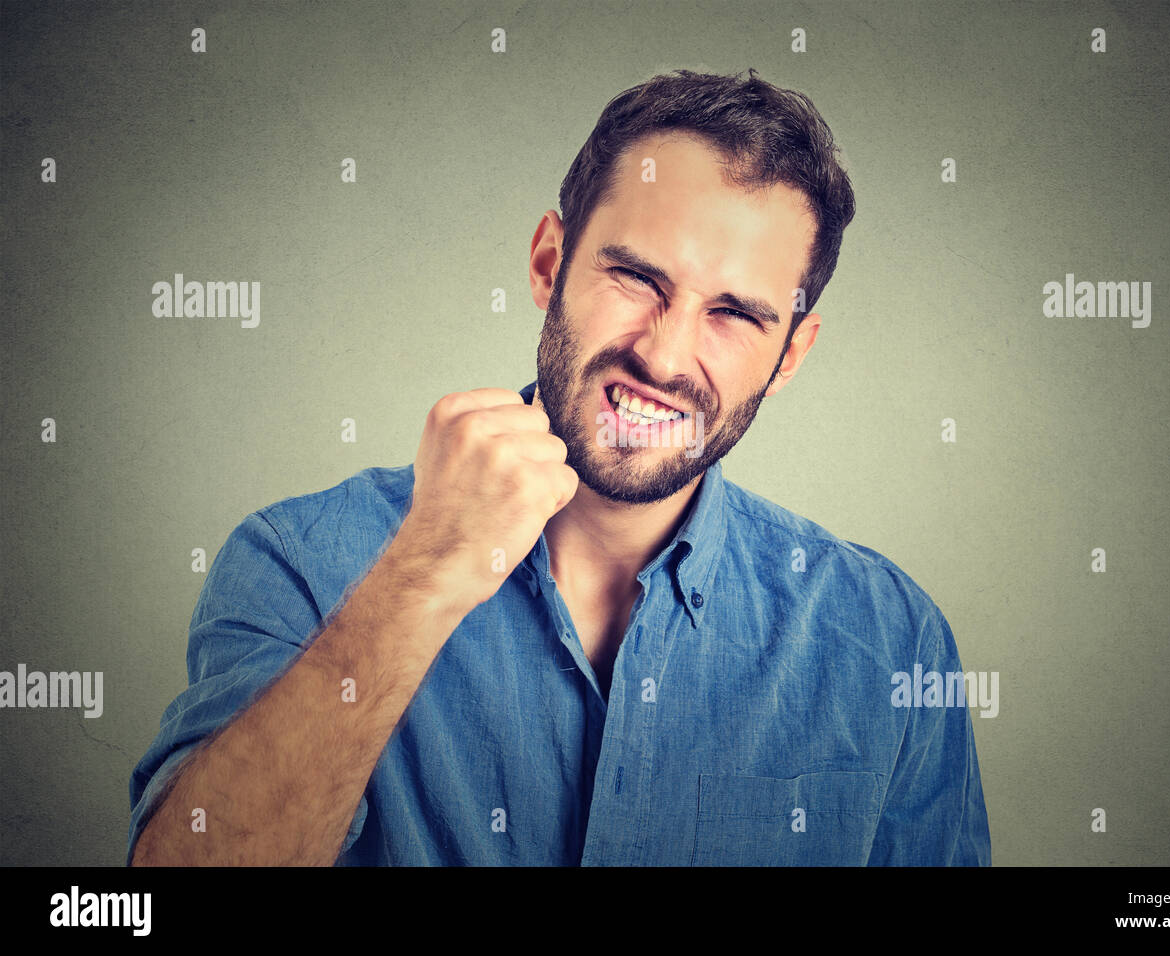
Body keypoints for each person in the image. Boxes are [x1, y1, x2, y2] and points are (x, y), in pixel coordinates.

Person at [128, 68, 991, 866]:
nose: (663, 355)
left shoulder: (887, 640)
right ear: (550, 263)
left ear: (791, 352)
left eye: (734, 313)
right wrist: (426, 575)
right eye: (636, 277)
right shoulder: (302, 564)